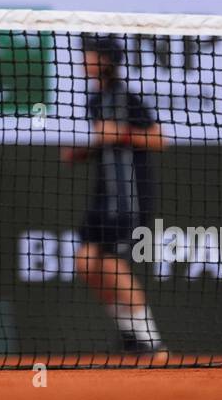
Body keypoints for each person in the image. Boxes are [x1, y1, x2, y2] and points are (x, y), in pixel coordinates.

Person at [63, 35, 166, 354]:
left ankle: (151, 340)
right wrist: (83, 152)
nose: (83, 60)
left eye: (89, 55)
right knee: (85, 262)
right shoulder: (94, 100)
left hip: (128, 197)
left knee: (110, 264)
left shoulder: (126, 99)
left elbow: (158, 139)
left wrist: (120, 133)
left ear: (104, 60)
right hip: (102, 195)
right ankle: (129, 332)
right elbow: (106, 143)